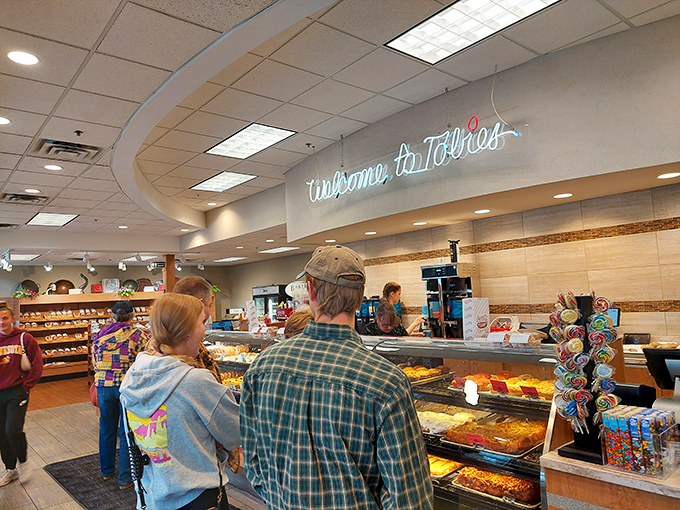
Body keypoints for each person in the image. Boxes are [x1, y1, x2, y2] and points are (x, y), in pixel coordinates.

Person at [240, 245, 433, 509]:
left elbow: (253, 463)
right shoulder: (386, 381)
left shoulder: (262, 367)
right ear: (361, 295)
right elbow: (409, 499)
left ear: (310, 292)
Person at [120, 293, 240, 510]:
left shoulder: (133, 375)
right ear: (185, 332)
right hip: (197, 497)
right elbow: (235, 433)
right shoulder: (196, 381)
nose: (205, 329)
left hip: (152, 496)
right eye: (202, 323)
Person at [92, 300, 149, 490]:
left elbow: (95, 362)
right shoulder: (138, 335)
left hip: (103, 386)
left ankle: (106, 471)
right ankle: (125, 478)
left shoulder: (101, 335)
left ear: (113, 315)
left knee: (106, 429)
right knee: (127, 431)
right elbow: (145, 362)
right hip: (127, 387)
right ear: (132, 316)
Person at [0, 303, 43, 487]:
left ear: (12, 319)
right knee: (1, 434)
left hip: (17, 391)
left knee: (12, 429)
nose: (2, 322)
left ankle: (24, 462)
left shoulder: (24, 338)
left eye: (5, 318)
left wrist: (27, 385)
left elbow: (37, 363)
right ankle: (11, 469)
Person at [173, 276, 221, 383]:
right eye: (209, 305)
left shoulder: (159, 344)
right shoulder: (188, 346)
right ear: (200, 304)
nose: (204, 330)